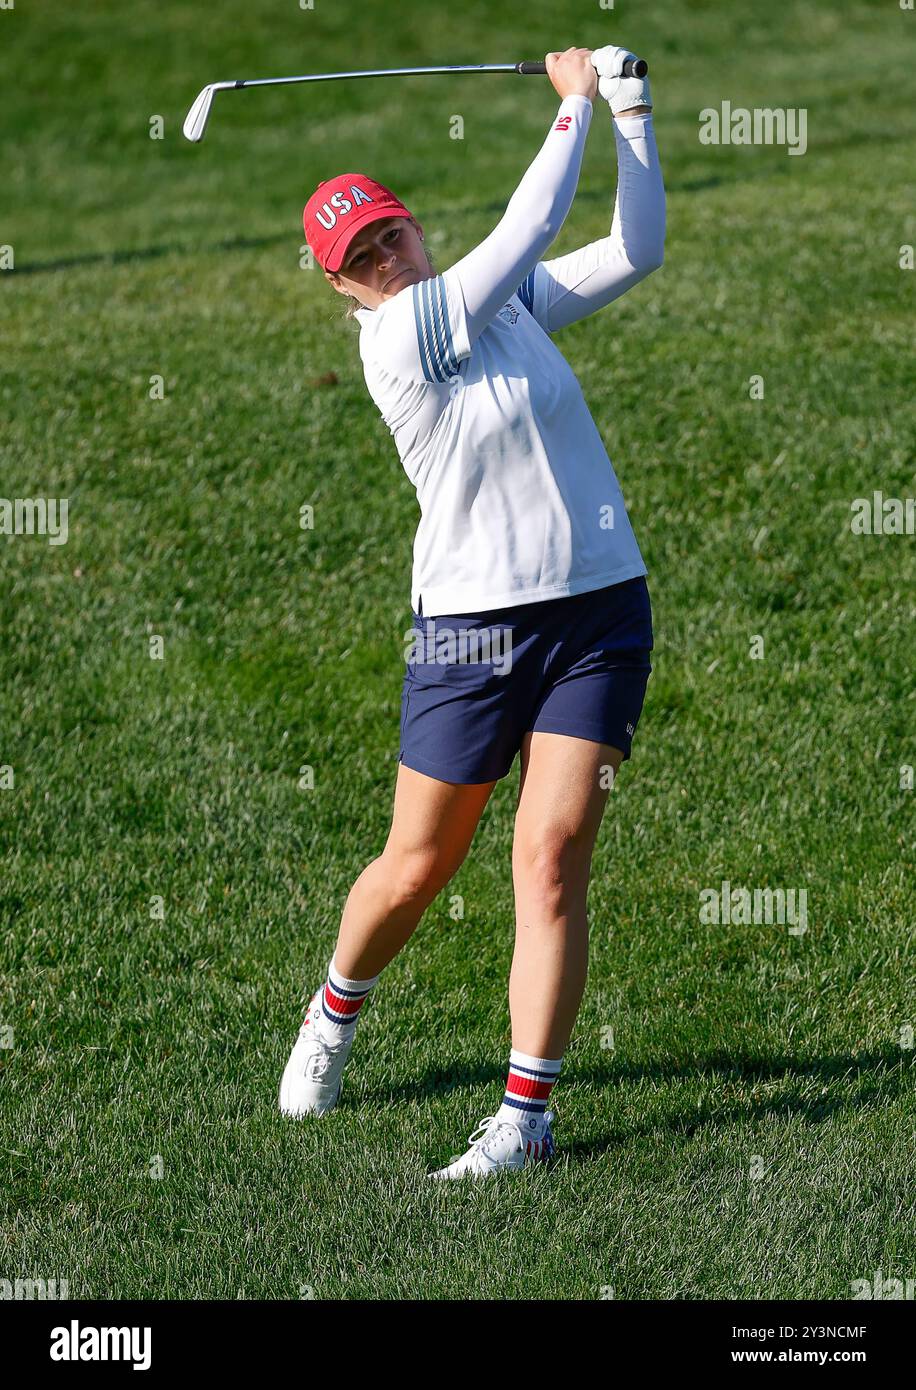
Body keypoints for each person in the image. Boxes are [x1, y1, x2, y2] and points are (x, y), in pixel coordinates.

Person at [281, 45, 665, 1178]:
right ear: (341, 286)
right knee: (419, 863)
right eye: (361, 257)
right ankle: (334, 1011)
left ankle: (524, 1124)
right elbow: (529, 225)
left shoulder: (501, 312)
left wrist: (634, 112)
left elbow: (633, 249)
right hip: (472, 634)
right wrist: (574, 105)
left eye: (390, 234)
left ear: (409, 227)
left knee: (548, 859)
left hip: (597, 613)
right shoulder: (404, 337)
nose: (385, 259)